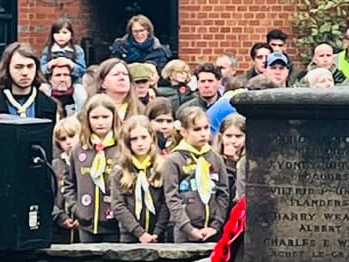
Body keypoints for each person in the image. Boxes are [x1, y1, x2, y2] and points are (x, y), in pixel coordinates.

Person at [162, 105, 228, 243]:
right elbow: (172, 197)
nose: (203, 133)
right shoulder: (174, 160)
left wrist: (216, 225)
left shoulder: (216, 158)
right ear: (184, 132)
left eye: (206, 128)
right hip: (185, 231)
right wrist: (188, 228)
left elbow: (223, 194)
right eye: (197, 129)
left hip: (213, 231)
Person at [63, 95, 122, 242]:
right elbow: (69, 183)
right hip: (86, 222)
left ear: (114, 117)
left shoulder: (122, 148)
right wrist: (76, 209)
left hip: (115, 223)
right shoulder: (79, 149)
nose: (100, 122)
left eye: (105, 117)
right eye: (95, 117)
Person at [110, 115, 169, 243]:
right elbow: (118, 205)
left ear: (152, 138)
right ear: (127, 142)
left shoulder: (162, 167)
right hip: (130, 235)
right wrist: (140, 233)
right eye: (134, 139)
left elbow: (166, 202)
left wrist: (157, 232)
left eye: (144, 137)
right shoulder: (120, 170)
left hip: (158, 235)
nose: (140, 143)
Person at [51, 115, 81, 243]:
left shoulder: (90, 162)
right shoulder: (55, 165)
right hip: (60, 228)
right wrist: (60, 217)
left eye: (72, 136)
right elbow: (47, 196)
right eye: (63, 139)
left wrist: (84, 216)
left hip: (86, 224)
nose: (68, 142)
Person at [94, 58, 142, 122]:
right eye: (116, 74)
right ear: (102, 83)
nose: (122, 78)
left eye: (125, 74)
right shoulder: (92, 109)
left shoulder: (141, 111)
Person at [40, 17, 87, 81]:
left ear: (71, 35)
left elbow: (83, 71)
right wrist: (50, 65)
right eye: (57, 33)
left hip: (74, 83)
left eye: (64, 32)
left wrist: (70, 64)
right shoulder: (47, 50)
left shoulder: (78, 50)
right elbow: (40, 71)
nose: (61, 36)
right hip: (51, 83)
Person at [215, 113, 246, 199]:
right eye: (228, 136)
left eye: (238, 136)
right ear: (221, 137)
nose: (233, 141)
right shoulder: (213, 159)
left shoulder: (250, 162)